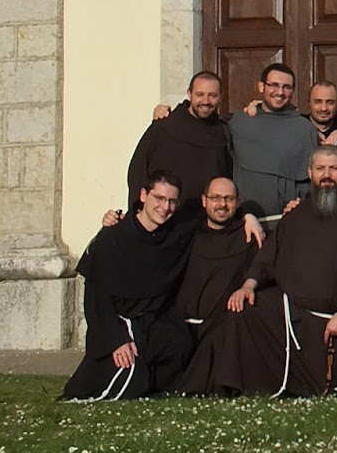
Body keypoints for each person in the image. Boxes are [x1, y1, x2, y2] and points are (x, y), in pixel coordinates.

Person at [190, 145, 337, 397]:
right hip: (290, 312)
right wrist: (249, 284)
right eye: (320, 168)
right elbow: (270, 252)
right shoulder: (297, 214)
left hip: (334, 318)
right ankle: (232, 387)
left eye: (333, 168)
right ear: (310, 172)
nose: (326, 175)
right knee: (242, 310)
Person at [63, 171, 194, 401]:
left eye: (172, 201)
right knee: (129, 373)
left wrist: (248, 217)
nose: (165, 207)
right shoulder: (112, 239)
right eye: (159, 198)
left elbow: (215, 212)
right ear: (143, 195)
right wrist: (116, 340)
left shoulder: (175, 234)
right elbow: (96, 298)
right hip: (118, 322)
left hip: (154, 321)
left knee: (179, 345)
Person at [167, 177, 260, 395]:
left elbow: (263, 267)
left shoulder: (248, 236)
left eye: (228, 199)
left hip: (220, 325)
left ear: (238, 203)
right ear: (204, 201)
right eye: (215, 198)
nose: (222, 204)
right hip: (181, 324)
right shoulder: (186, 232)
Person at [126, 70, 232, 228]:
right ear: (189, 94)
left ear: (221, 97)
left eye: (212, 95)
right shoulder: (164, 126)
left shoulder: (224, 131)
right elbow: (138, 170)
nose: (206, 101)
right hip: (164, 220)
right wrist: (140, 215)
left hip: (205, 226)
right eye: (200, 94)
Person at [229, 63, 321, 217]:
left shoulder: (305, 129)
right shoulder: (239, 122)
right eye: (274, 85)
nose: (280, 92)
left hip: (291, 221)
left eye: (287, 87)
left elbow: (313, 180)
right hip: (245, 222)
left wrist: (302, 203)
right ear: (261, 86)